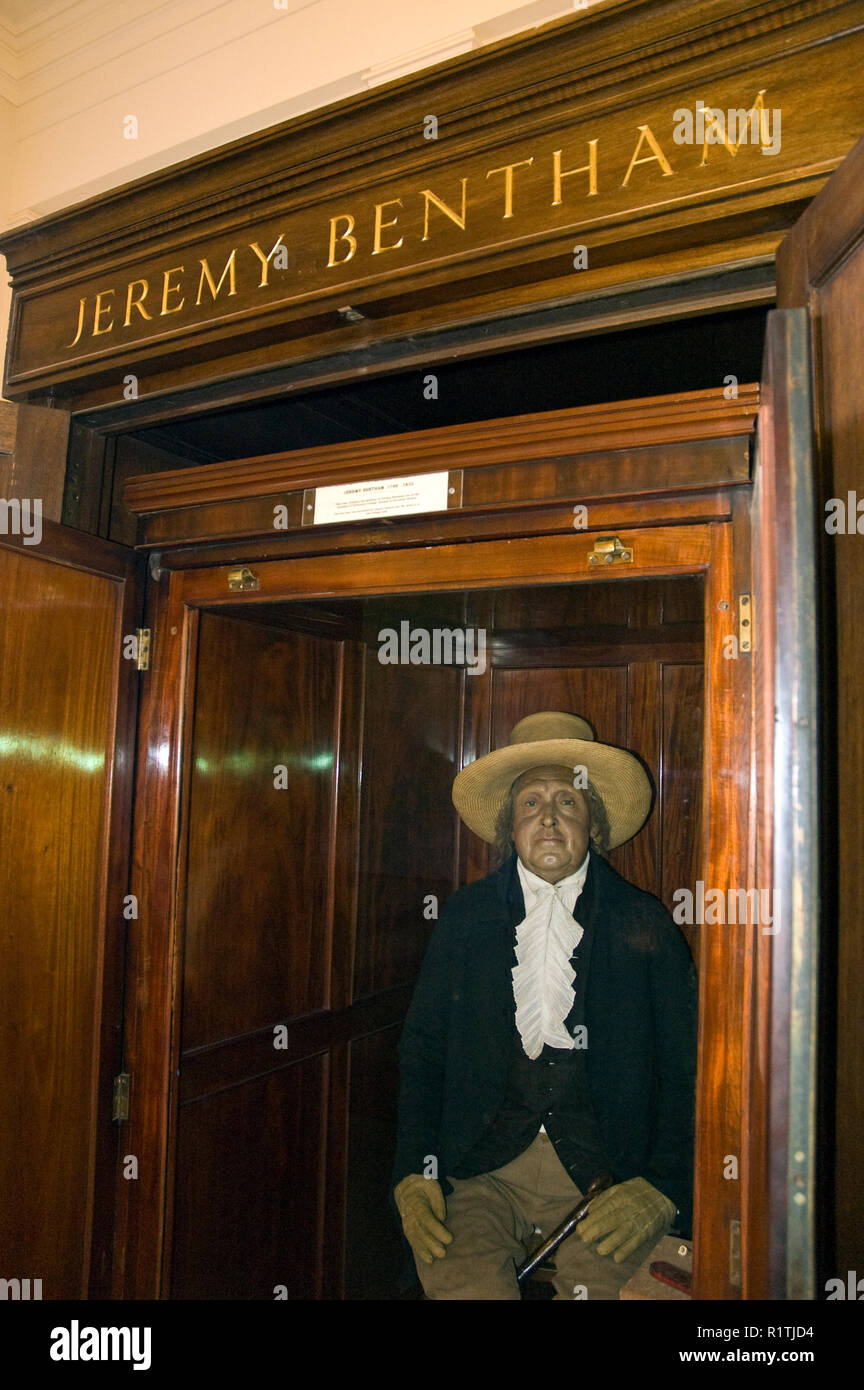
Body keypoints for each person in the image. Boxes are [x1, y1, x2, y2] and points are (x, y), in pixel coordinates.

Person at [391, 711, 697, 1300]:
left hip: (607, 1177)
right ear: (511, 826)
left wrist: (662, 1186)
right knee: (462, 1286)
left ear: (595, 825)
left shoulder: (646, 922)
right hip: (481, 1174)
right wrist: (414, 1172)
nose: (549, 818)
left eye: (569, 801)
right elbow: (423, 1055)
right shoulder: (465, 918)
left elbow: (688, 1073)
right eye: (531, 804)